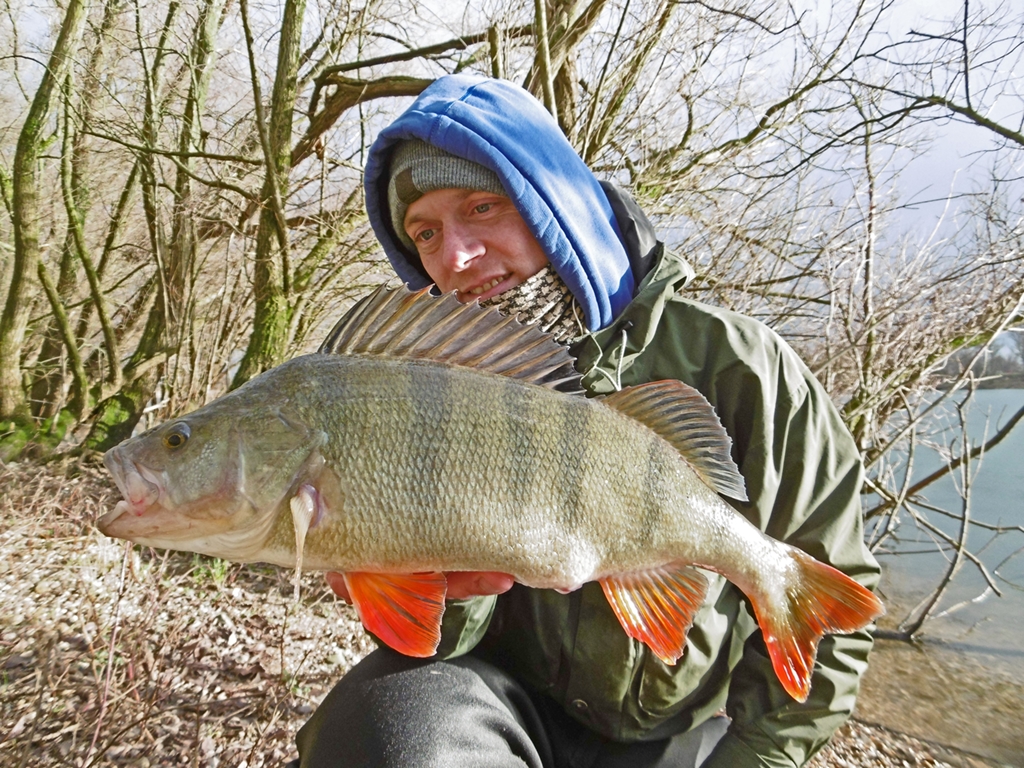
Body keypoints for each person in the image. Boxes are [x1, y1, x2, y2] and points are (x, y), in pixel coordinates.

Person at [290, 74, 880, 768]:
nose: (454, 257)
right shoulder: (422, 389)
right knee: (376, 724)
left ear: (555, 206)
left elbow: (826, 606)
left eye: (483, 206)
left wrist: (755, 757)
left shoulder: (739, 365)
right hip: (508, 702)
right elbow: (444, 642)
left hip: (680, 732)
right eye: (424, 232)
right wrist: (428, 578)